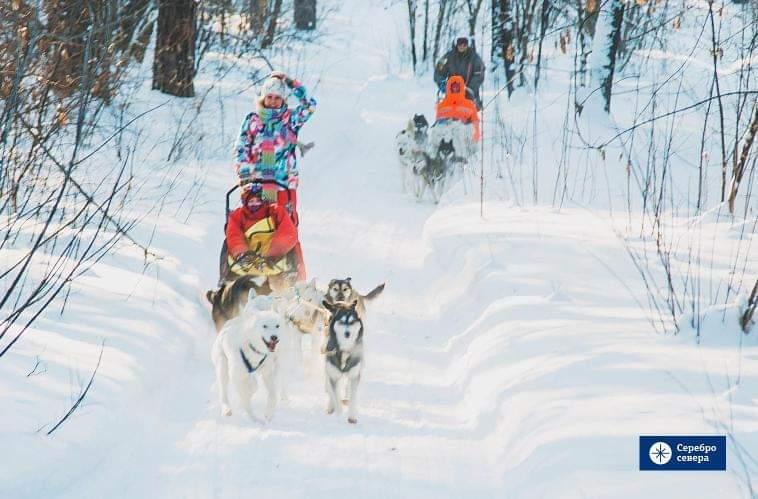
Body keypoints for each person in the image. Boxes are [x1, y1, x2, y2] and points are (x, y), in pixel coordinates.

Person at [235, 71, 317, 225]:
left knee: (285, 224)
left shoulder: (291, 119)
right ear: (263, 97)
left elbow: (310, 106)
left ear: (283, 99)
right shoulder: (253, 120)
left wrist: (290, 82)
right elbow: (242, 147)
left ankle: (289, 249)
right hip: (256, 182)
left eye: (277, 97)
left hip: (284, 182)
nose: (273, 101)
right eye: (269, 97)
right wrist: (244, 172)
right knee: (255, 224)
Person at [225, 182, 306, 282]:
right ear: (245, 202)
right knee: (227, 243)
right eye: (251, 201)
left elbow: (287, 232)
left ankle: (292, 283)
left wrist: (274, 253)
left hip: (274, 260)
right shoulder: (237, 216)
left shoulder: (276, 212)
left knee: (292, 246)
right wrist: (242, 253)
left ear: (264, 201)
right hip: (245, 262)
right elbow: (234, 235)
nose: (254, 204)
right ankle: (227, 284)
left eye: (258, 201)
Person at [433, 36, 485, 109]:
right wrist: (443, 84)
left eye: (464, 44)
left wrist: (468, 89)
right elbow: (438, 71)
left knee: (469, 117)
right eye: (460, 43)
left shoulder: (475, 58)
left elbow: (479, 75)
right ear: (456, 43)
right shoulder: (447, 57)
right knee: (448, 115)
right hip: (451, 93)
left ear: (468, 44)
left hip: (469, 95)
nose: (462, 46)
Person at [435, 75, 480, 142]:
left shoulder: (469, 105)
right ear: (449, 88)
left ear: (461, 88)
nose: (455, 89)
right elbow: (438, 122)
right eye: (453, 87)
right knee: (436, 132)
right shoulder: (441, 105)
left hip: (463, 132)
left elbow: (475, 121)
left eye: (457, 87)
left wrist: (476, 134)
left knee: (461, 132)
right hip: (446, 132)